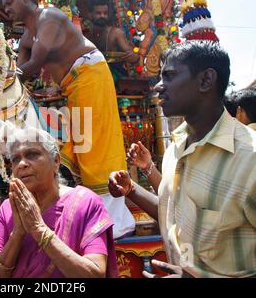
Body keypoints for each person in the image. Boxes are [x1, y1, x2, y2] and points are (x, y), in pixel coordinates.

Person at [109, 41, 256, 278]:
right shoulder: (176, 147)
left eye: (169, 76)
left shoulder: (250, 159)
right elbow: (175, 212)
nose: (158, 87)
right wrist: (131, 190)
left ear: (206, 80)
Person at [0, 0, 134, 239]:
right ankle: (90, 214)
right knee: (75, 145)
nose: (7, 10)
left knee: (95, 145)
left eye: (10, 3)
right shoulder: (26, 35)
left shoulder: (48, 17)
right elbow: (20, 71)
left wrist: (4, 80)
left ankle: (116, 222)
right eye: (4, 6)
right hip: (71, 87)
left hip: (90, 74)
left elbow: (34, 63)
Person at [0, 127, 118, 278]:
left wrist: (39, 229)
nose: (22, 164)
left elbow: (94, 274)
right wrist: (17, 234)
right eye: (15, 159)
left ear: (56, 161)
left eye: (32, 155)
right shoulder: (8, 209)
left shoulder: (86, 203)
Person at [87, 0, 140, 82]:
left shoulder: (116, 33)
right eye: (98, 13)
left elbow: (133, 58)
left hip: (114, 79)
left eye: (105, 13)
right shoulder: (87, 34)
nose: (102, 16)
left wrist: (132, 56)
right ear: (90, 14)